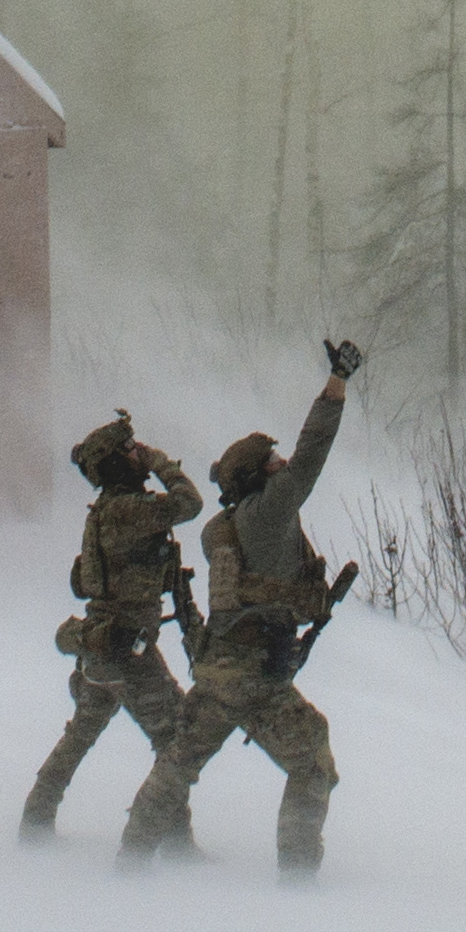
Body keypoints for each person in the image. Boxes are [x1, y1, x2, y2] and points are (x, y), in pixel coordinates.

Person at [121, 339, 361, 878]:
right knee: (312, 761)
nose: (283, 465)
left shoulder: (224, 528)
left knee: (177, 765)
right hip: (257, 675)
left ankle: (129, 862)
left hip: (218, 669)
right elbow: (314, 448)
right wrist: (337, 383)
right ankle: (298, 877)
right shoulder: (270, 512)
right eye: (273, 461)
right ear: (259, 476)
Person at [20, 411, 202, 843]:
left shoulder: (105, 511)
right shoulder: (128, 510)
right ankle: (166, 840)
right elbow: (189, 503)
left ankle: (36, 819)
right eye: (130, 449)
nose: (138, 452)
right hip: (128, 648)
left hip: (103, 648)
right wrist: (162, 463)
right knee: (177, 736)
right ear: (118, 464)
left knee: (81, 733)